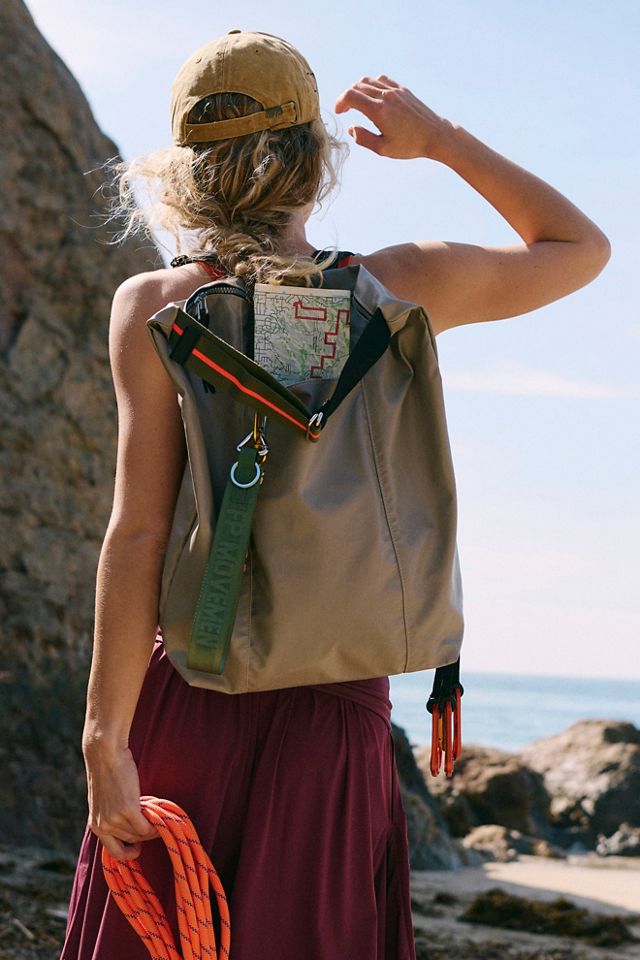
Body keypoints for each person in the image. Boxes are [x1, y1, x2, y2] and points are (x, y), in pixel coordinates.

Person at [59, 29, 610, 960]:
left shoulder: (155, 305)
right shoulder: (400, 288)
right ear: (315, 161)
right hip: (333, 713)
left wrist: (103, 739)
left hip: (191, 688)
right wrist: (442, 141)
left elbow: (139, 532)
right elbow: (578, 246)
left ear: (188, 173)